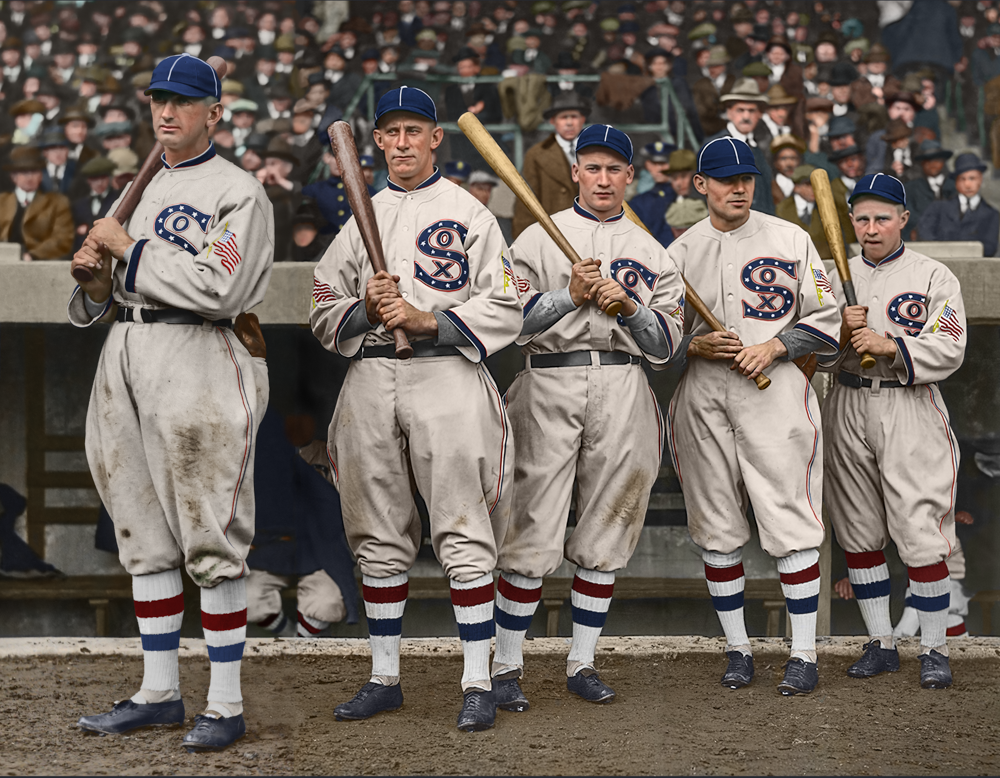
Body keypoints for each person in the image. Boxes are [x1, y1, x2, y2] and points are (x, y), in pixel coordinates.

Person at [70, 54, 275, 752]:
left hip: (201, 353)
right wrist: (99, 278)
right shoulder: (144, 181)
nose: (167, 112)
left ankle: (224, 702)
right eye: (159, 99)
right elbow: (113, 290)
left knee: (210, 534)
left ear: (214, 113)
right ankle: (159, 692)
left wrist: (126, 247)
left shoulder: (238, 190)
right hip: (127, 351)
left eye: (184, 102)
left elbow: (219, 289)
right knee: (142, 530)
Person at [309, 86, 521, 732]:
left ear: (437, 139)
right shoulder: (360, 217)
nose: (402, 143)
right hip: (371, 375)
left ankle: (478, 681)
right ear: (376, 143)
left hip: (447, 375)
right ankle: (384, 677)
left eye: (414, 131)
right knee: (375, 534)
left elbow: (507, 303)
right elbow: (320, 303)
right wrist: (364, 309)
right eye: (391, 132)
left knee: (462, 528)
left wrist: (429, 318)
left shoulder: (470, 213)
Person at [492, 125, 683, 711]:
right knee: (528, 526)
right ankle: (505, 666)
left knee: (610, 526)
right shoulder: (536, 238)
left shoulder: (653, 250)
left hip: (624, 379)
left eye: (614, 169)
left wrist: (630, 309)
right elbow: (506, 324)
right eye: (592, 167)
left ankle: (582, 662)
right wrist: (567, 299)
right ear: (576, 172)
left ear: (631, 176)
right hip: (548, 376)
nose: (603, 179)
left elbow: (666, 345)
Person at [666, 137, 841, 695]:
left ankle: (804, 654)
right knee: (716, 527)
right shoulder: (679, 251)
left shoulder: (790, 238)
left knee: (789, 520)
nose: (738, 187)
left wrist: (777, 346)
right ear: (701, 185)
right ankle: (738, 649)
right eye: (724, 178)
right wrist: (695, 347)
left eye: (746, 178)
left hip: (775, 387)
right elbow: (657, 338)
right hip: (704, 393)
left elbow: (829, 317)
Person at [817, 173, 966, 689]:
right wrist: (839, 330)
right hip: (846, 399)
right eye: (862, 218)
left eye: (883, 217)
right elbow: (808, 345)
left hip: (909, 403)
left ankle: (933, 648)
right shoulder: (829, 275)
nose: (871, 227)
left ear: (904, 219)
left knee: (920, 531)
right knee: (857, 529)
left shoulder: (933, 275)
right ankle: (881, 643)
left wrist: (890, 346)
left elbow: (951, 347)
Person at [513, 91, 588, 237]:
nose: (569, 123)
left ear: (583, 119)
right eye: (563, 117)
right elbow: (527, 203)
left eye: (574, 116)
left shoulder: (596, 152)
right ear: (553, 121)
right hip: (554, 235)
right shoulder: (537, 154)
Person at [706, 78, 775, 215]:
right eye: (740, 110)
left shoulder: (758, 147)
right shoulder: (716, 146)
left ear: (759, 114)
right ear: (729, 112)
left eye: (751, 111)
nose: (745, 116)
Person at [918, 152, 1000, 257]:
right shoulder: (938, 208)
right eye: (962, 179)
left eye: (972, 178)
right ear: (956, 182)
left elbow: (989, 248)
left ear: (980, 180)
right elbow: (925, 235)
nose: (967, 184)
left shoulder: (991, 214)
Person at [0, 144, 73, 260]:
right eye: (24, 172)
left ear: (40, 175)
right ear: (13, 177)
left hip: (40, 265)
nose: (29, 178)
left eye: (34, 172)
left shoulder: (57, 203)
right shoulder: (2, 202)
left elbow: (62, 240)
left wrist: (32, 255)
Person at [775, 163, 852, 260]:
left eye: (817, 184)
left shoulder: (830, 207)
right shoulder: (783, 209)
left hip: (826, 263)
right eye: (808, 184)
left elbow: (842, 239)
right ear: (796, 187)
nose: (814, 189)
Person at [627, 140, 676, 248]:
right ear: (648, 165)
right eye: (655, 164)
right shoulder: (638, 200)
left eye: (664, 163)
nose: (660, 168)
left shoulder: (680, 193)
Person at [904, 140, 956, 241]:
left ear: (943, 161)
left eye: (937, 160)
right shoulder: (911, 188)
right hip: (921, 240)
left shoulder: (954, 187)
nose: (932, 164)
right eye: (928, 161)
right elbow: (909, 217)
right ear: (922, 163)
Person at [70, 156, 119, 253]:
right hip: (83, 253)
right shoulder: (79, 205)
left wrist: (87, 228)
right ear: (88, 181)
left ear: (109, 178)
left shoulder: (118, 200)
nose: (100, 183)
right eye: (95, 179)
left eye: (103, 178)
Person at [770, 134, 804, 205]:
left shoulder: (804, 185)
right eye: (783, 158)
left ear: (799, 161)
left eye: (793, 158)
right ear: (776, 163)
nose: (789, 164)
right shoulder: (770, 186)